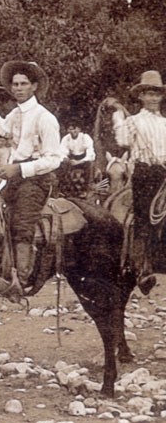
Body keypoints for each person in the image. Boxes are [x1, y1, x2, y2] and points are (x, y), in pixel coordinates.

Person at [0, 61, 62, 300]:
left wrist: (20, 169)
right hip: (14, 178)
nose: (19, 88)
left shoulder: (45, 118)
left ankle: (20, 281)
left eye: (24, 84)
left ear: (34, 86)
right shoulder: (15, 114)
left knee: (22, 224)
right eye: (15, 84)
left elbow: (54, 159)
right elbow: (2, 129)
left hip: (37, 179)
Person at [107, 70, 166, 295]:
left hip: (164, 173)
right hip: (146, 173)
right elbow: (122, 140)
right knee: (144, 216)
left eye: (156, 95)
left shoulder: (165, 123)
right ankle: (142, 267)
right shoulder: (133, 121)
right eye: (148, 94)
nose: (153, 98)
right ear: (140, 96)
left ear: (161, 97)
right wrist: (118, 114)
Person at [59, 121, 96, 198]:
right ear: (68, 130)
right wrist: (67, 159)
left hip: (84, 160)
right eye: (71, 129)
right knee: (63, 164)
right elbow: (62, 152)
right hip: (72, 160)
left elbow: (90, 153)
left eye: (76, 129)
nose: (74, 131)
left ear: (79, 129)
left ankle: (87, 189)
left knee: (90, 164)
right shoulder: (66, 139)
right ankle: (65, 189)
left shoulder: (85, 137)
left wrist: (79, 161)